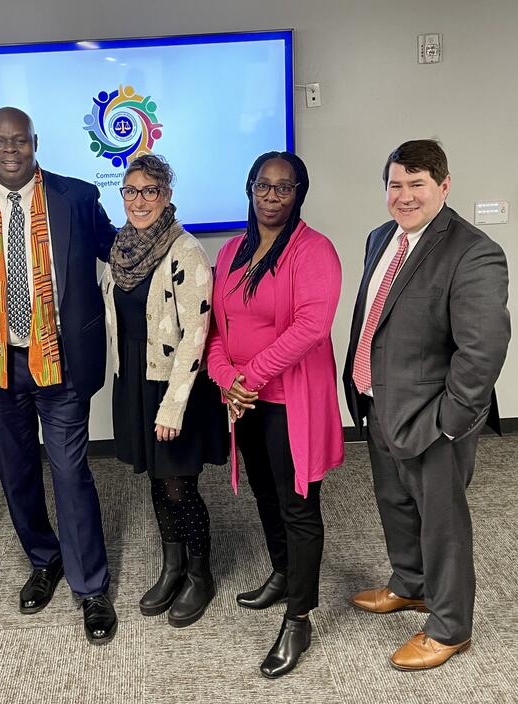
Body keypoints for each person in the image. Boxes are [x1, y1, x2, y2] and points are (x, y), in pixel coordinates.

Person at [0, 107, 119, 644]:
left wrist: (161, 228)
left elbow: (116, 246)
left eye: (19, 141)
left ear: (35, 142)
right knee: (15, 473)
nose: (10, 150)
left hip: (60, 361)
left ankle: (91, 587)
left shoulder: (77, 196)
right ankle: (44, 559)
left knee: (69, 472)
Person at [342, 139, 510, 671]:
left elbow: (482, 350)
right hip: (380, 404)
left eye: (417, 184)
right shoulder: (380, 238)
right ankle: (410, 585)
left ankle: (449, 626)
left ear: (444, 185)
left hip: (434, 419)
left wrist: (450, 422)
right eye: (396, 184)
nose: (405, 196)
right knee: (395, 506)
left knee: (443, 524)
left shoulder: (472, 250)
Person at [206, 151, 344, 678]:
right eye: (263, 185)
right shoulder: (234, 252)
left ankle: (299, 618)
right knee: (266, 493)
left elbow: (311, 327)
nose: (271, 195)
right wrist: (226, 379)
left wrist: (250, 377)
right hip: (245, 400)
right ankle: (284, 573)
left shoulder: (314, 251)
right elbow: (217, 328)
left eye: (284, 187)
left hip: (291, 401)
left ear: (299, 193)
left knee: (298, 507)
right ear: (249, 188)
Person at [100, 155, 227, 627]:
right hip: (135, 377)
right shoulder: (121, 248)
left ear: (167, 196)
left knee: (179, 485)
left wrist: (173, 406)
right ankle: (173, 567)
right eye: (130, 191)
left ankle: (200, 574)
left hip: (175, 385)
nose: (139, 200)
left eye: (150, 191)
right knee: (158, 480)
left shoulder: (185, 250)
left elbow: (197, 333)